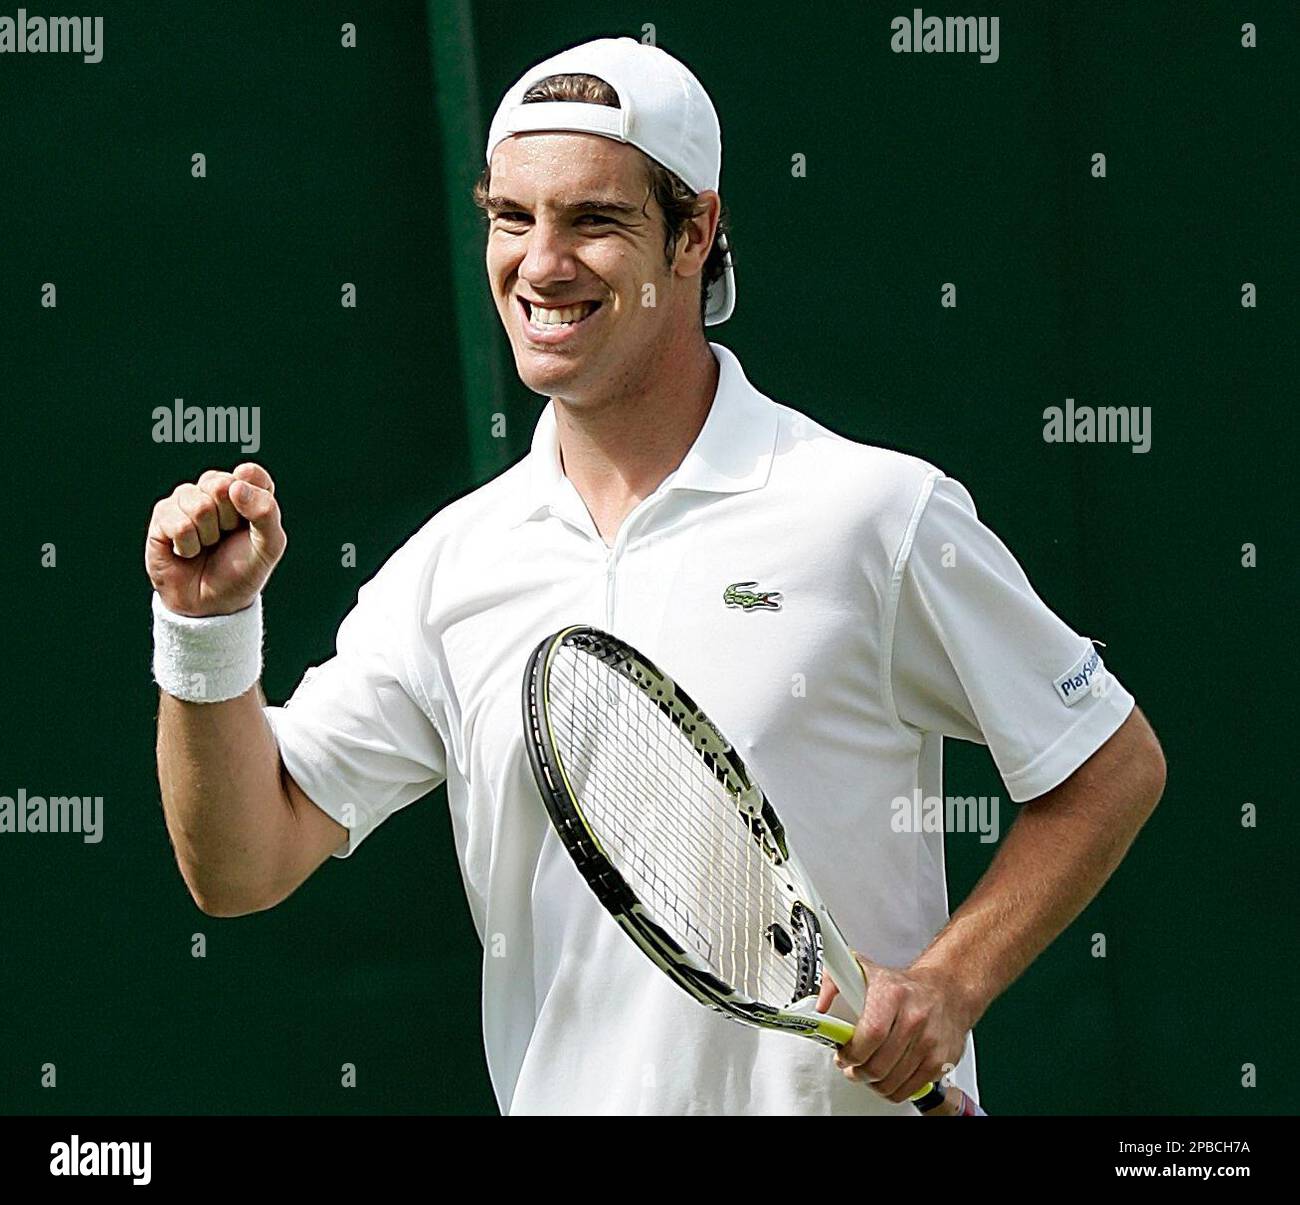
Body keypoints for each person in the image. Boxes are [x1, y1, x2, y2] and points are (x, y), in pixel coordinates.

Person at [147, 36, 1166, 1115]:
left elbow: (1108, 762)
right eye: (511, 217)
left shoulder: (870, 510)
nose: (541, 263)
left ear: (694, 233)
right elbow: (241, 863)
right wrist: (207, 630)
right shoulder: (453, 566)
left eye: (593, 220)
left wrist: (946, 985)